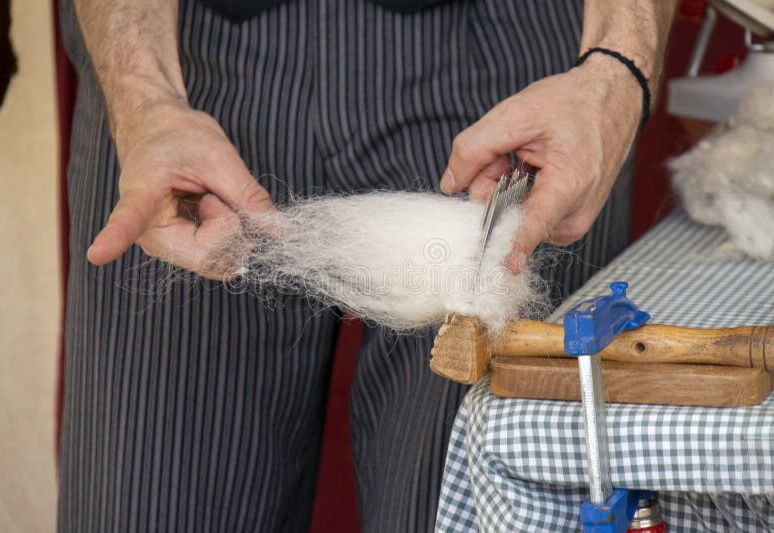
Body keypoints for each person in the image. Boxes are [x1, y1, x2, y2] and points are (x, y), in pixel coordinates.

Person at [57, 0, 676, 531]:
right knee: (145, 495)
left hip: (510, 89)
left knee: (492, 502)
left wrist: (615, 71)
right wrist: (145, 98)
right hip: (187, 69)